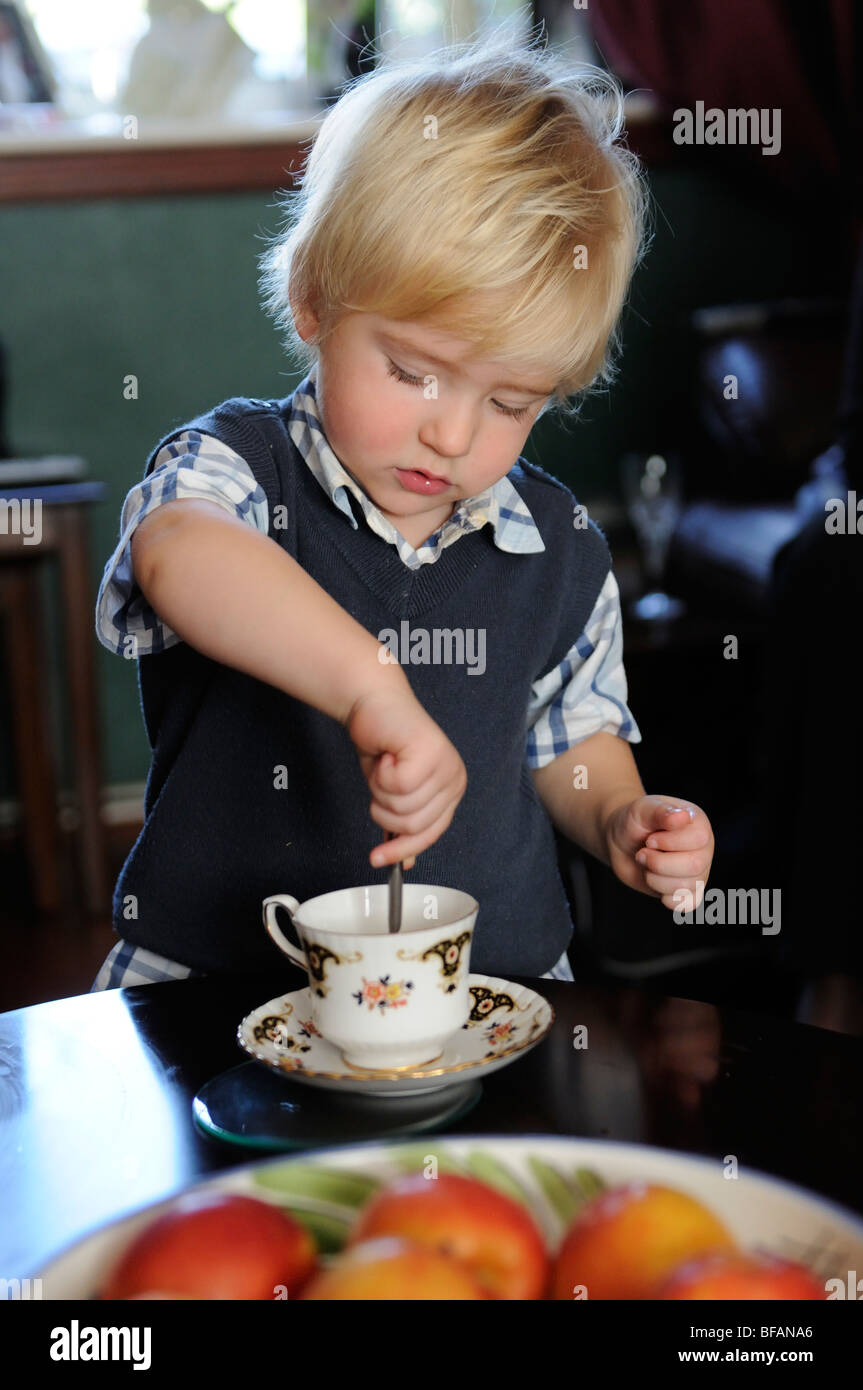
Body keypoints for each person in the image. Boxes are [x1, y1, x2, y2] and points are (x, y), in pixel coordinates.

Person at [91, 31, 714, 992]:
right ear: (313, 301)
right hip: (218, 986)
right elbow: (178, 555)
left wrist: (621, 821)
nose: (454, 436)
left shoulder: (561, 548)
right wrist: (370, 685)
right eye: (413, 373)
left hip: (488, 997)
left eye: (510, 404)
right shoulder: (234, 468)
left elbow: (570, 743)